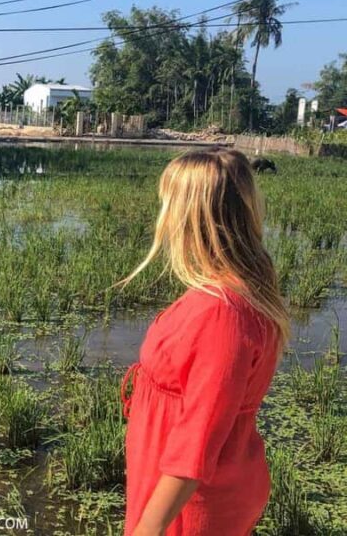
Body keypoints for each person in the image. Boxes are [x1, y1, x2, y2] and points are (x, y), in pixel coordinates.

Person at [118, 147, 289, 536]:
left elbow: (196, 443)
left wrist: (148, 528)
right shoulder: (237, 292)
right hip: (195, 485)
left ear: (188, 217)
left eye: (168, 203)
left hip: (191, 503)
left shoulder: (222, 312)